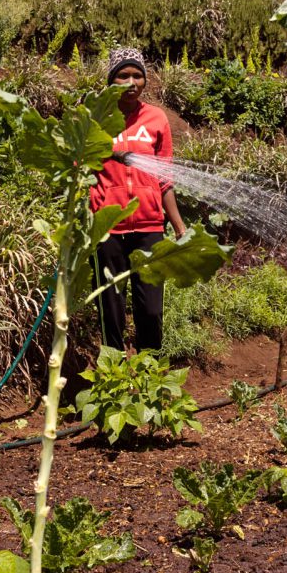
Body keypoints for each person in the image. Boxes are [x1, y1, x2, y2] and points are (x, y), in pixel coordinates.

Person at [89, 46, 187, 352]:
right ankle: (112, 371)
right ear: (111, 80)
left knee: (151, 311)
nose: (131, 82)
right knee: (111, 311)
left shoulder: (156, 119)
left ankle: (150, 372)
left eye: (137, 75)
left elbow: (165, 179)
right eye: (123, 75)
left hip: (149, 228)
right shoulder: (97, 118)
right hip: (107, 228)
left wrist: (179, 226)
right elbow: (81, 171)